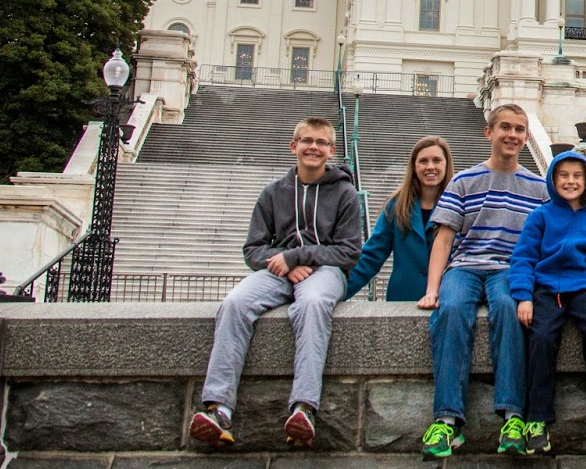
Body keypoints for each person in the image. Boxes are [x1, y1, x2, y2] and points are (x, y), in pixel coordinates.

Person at [190, 117, 362, 449]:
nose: (313, 147)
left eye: (321, 142)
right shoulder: (273, 193)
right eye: (306, 140)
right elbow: (253, 249)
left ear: (331, 150)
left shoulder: (345, 193)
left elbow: (350, 251)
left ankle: (304, 407)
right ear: (293, 146)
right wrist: (286, 265)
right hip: (279, 270)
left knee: (312, 305)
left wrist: (297, 257)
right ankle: (218, 408)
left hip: (325, 271)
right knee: (234, 303)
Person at [417, 104, 548, 459]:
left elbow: (558, 230)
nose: (513, 135)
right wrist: (432, 290)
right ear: (488, 132)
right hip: (465, 265)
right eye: (505, 127)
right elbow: (444, 239)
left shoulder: (539, 187)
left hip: (510, 268)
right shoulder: (464, 181)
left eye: (519, 129)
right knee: (452, 310)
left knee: (509, 309)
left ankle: (512, 415)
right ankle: (446, 420)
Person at [510, 152, 586, 455]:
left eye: (577, 176)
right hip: (546, 289)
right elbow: (523, 258)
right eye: (563, 175)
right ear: (552, 180)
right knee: (542, 337)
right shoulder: (540, 216)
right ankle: (537, 419)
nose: (570, 181)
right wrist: (523, 296)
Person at [343, 135, 451, 302]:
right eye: (423, 161)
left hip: (445, 298)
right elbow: (372, 255)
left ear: (446, 164)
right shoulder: (395, 206)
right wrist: (337, 292)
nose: (430, 167)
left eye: (437, 160)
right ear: (414, 167)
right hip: (402, 297)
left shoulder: (459, 206)